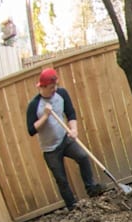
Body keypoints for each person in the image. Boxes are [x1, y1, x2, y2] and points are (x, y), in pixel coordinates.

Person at [25, 68, 107, 210]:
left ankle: (91, 188)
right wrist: (45, 116)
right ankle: (72, 206)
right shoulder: (34, 105)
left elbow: (70, 113)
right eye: (51, 87)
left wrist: (74, 130)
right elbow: (31, 130)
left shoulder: (61, 94)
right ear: (42, 87)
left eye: (56, 86)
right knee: (61, 179)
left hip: (65, 139)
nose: (54, 89)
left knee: (82, 156)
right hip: (50, 150)